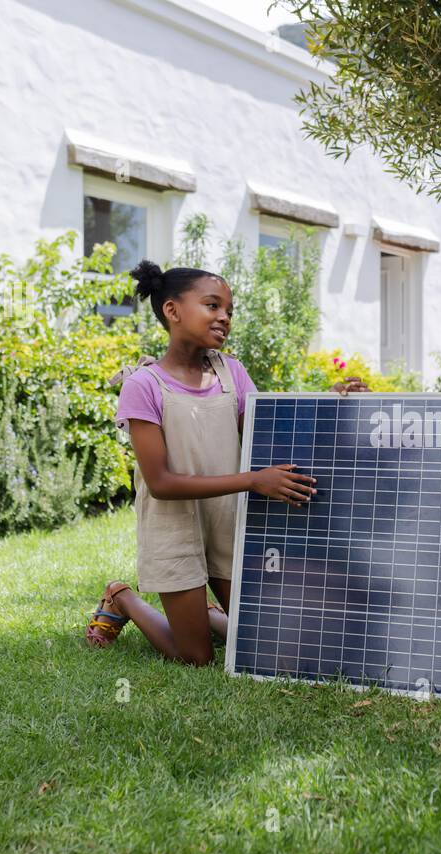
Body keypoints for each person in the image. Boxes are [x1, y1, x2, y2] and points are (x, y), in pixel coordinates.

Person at [84, 260, 317, 665]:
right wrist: (251, 481)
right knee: (196, 658)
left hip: (228, 522)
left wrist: (333, 399)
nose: (224, 317)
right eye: (212, 306)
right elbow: (161, 483)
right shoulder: (143, 386)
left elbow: (270, 434)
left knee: (269, 644)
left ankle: (203, 614)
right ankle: (123, 599)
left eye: (229, 310)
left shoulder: (233, 373)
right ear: (172, 311)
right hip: (174, 525)